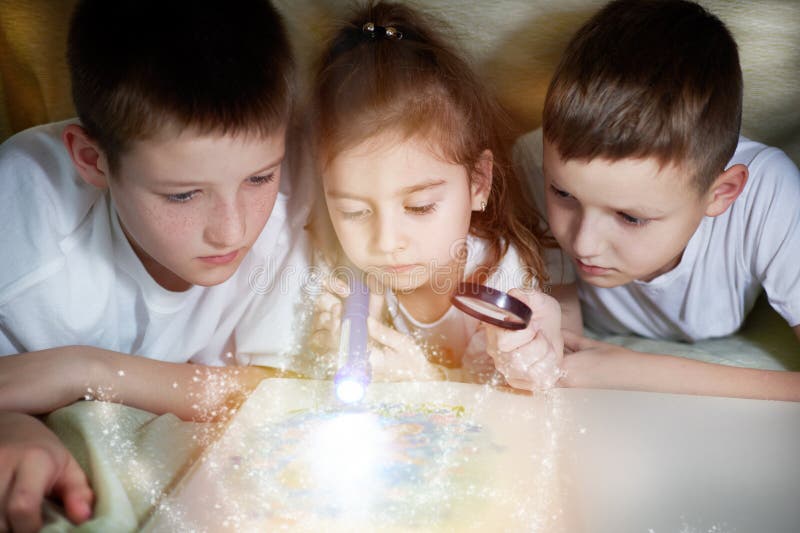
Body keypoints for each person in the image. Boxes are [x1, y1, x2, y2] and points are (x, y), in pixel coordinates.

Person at [0, 0, 310, 529]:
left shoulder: (282, 220)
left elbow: (272, 390)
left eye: (259, 177)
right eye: (184, 195)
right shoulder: (22, 219)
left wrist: (84, 369)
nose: (233, 231)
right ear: (93, 160)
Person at [515, 0, 800, 400]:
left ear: (721, 193)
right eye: (562, 194)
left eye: (631, 217)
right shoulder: (533, 158)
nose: (583, 244)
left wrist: (637, 370)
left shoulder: (768, 195)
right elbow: (558, 317)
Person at [302, 1, 564, 390]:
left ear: (478, 183)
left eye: (419, 207)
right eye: (354, 211)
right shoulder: (340, 270)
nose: (387, 242)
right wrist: (324, 351)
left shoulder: (502, 276)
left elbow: (499, 408)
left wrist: (424, 382)